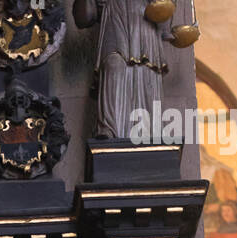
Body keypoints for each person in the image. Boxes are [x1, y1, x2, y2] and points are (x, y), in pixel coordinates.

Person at [73, 0, 170, 141]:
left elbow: (166, 10)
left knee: (145, 73)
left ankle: (149, 130)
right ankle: (109, 129)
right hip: (114, 21)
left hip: (143, 25)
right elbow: (85, 18)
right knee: (113, 65)